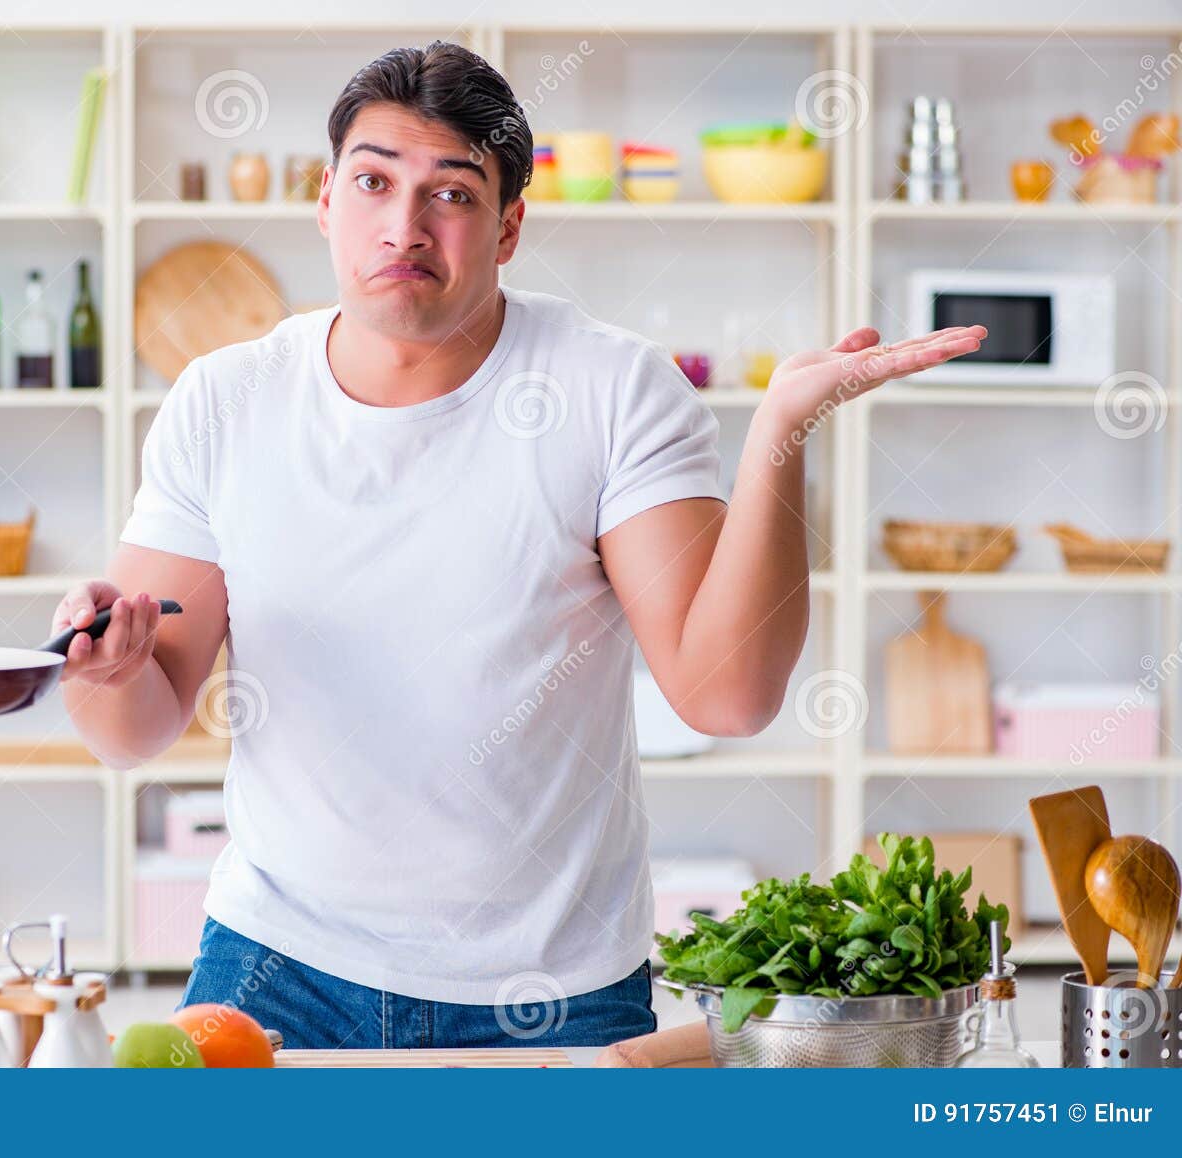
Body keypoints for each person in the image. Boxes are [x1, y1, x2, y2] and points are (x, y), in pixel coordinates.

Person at [54, 41, 984, 1051]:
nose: (402, 225)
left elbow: (727, 695)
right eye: (372, 181)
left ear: (506, 229)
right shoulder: (224, 401)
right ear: (326, 202)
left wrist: (782, 433)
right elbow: (130, 731)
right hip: (276, 969)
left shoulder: (612, 389)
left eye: (449, 194)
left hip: (553, 989)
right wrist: (106, 667)